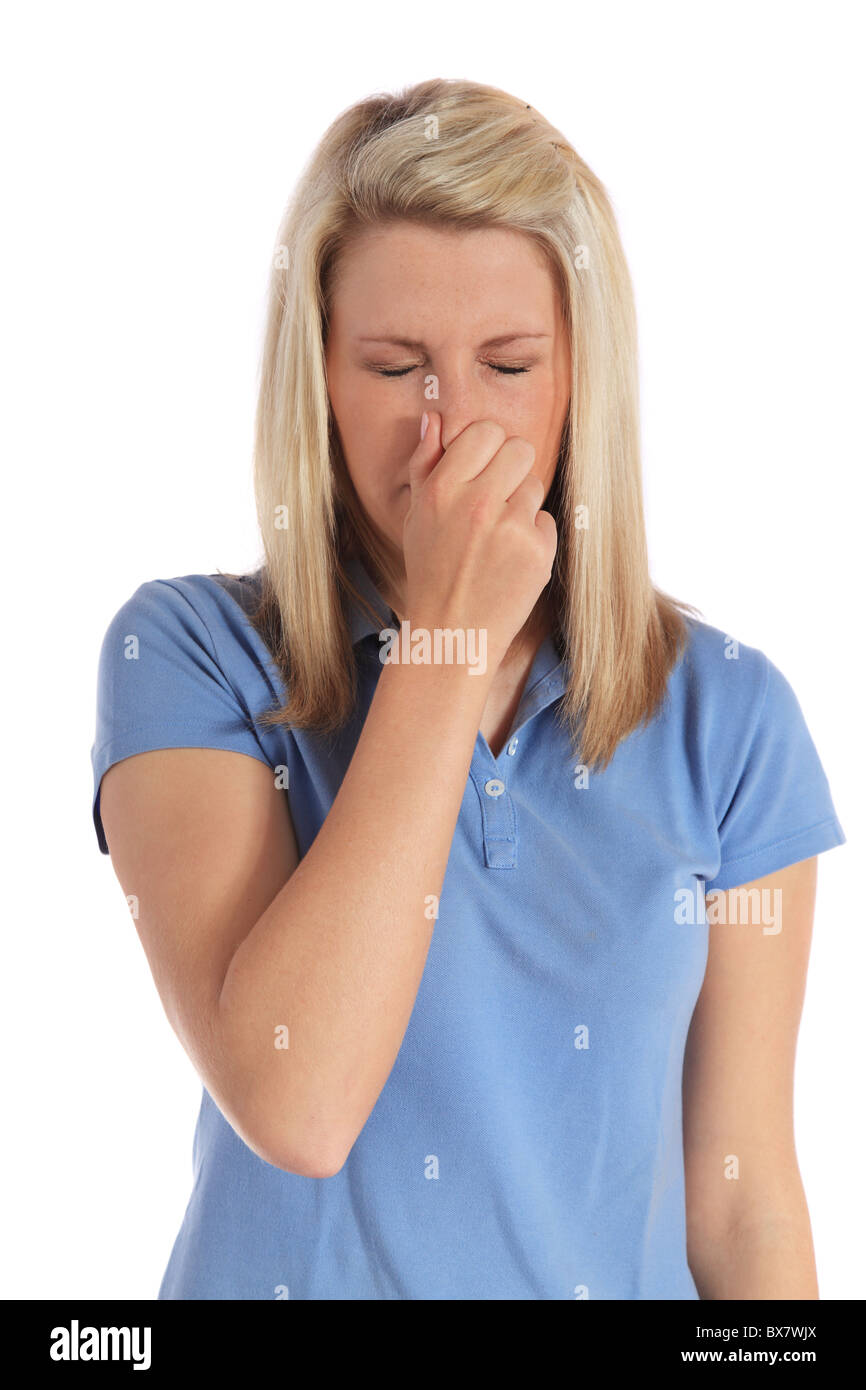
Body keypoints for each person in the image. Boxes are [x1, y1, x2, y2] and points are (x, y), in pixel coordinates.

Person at [90, 78, 845, 1300]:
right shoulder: (186, 654)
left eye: (506, 365)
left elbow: (745, 1202)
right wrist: (443, 638)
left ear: (575, 385)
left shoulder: (732, 720)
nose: (449, 432)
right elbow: (298, 1101)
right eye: (395, 369)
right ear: (318, 385)